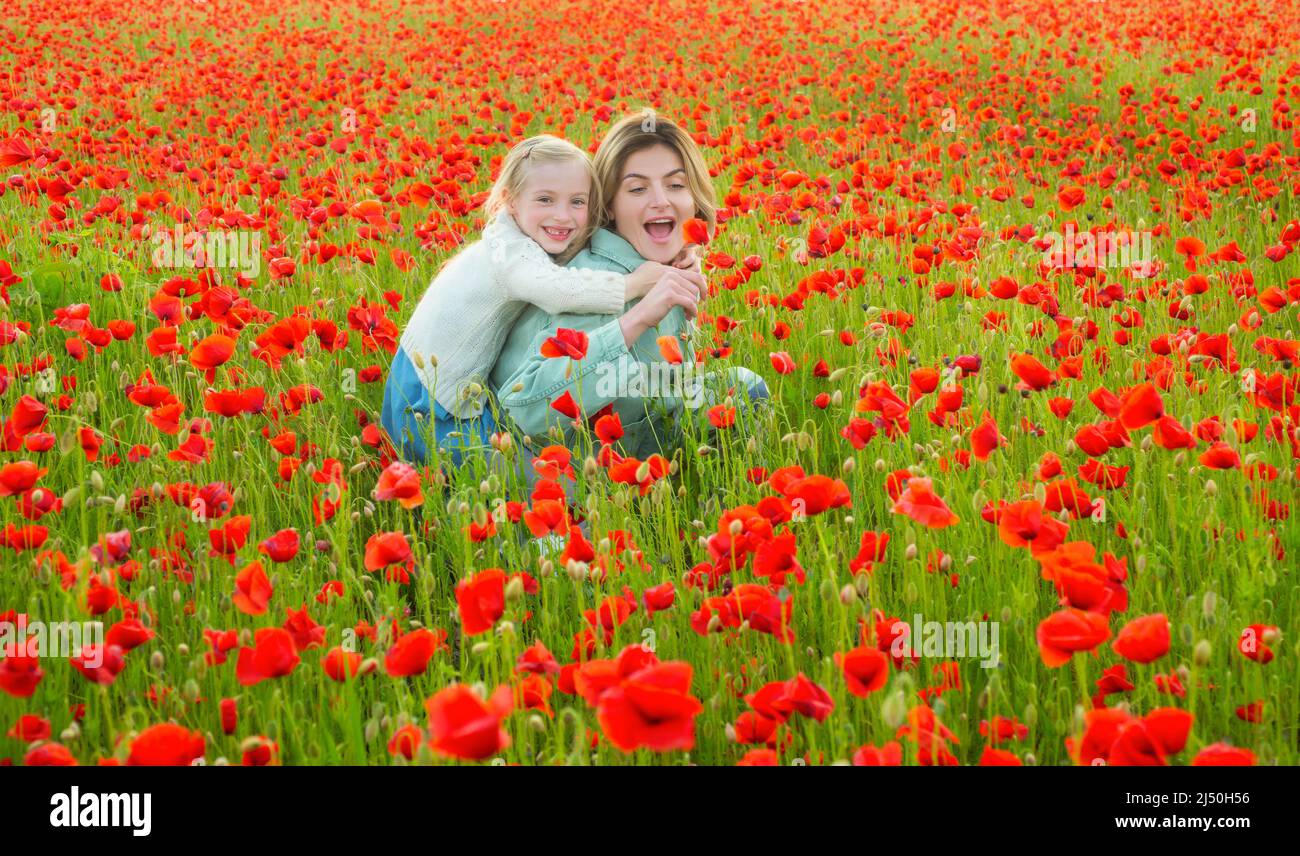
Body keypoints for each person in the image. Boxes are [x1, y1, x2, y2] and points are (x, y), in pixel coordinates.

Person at [380, 134, 682, 467]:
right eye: (545, 200)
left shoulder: (515, 238)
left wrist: (679, 255)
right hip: (432, 403)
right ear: (510, 200)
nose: (563, 216)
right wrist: (633, 284)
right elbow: (558, 291)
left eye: (578, 202)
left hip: (426, 385)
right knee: (552, 493)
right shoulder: (513, 255)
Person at [491, 112, 769, 464]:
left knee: (742, 389)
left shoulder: (659, 267)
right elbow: (524, 408)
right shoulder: (596, 286)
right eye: (637, 188)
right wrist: (634, 319)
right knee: (738, 390)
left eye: (676, 185)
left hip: (641, 447)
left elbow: (650, 381)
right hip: (561, 478)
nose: (661, 201)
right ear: (608, 205)